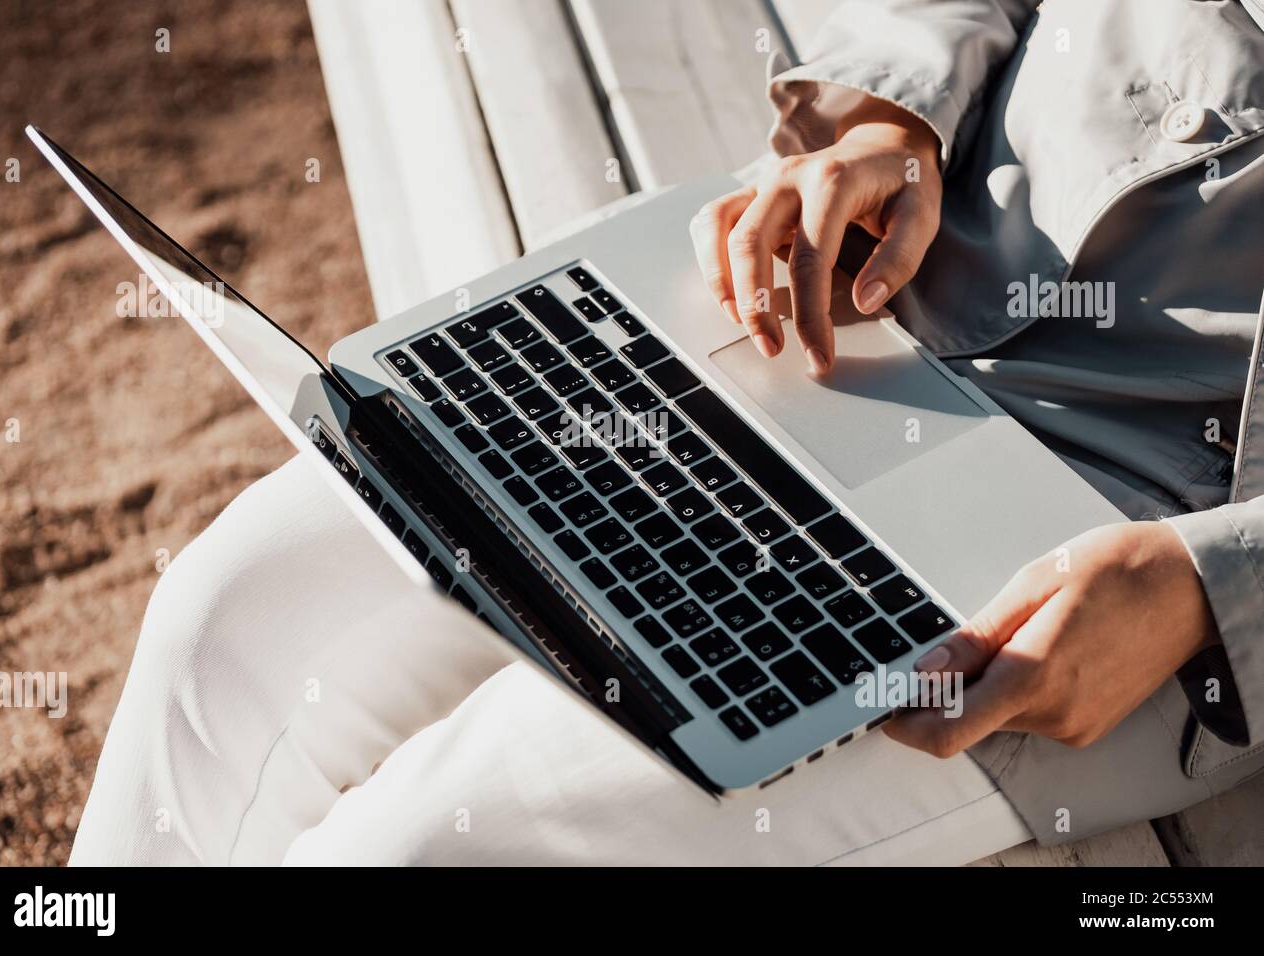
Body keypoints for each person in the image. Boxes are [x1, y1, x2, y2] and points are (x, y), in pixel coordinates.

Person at [71, 0, 1264, 865]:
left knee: (427, 847)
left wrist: (1213, 592)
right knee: (220, 621)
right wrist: (887, 110)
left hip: (1108, 532)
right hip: (843, 313)